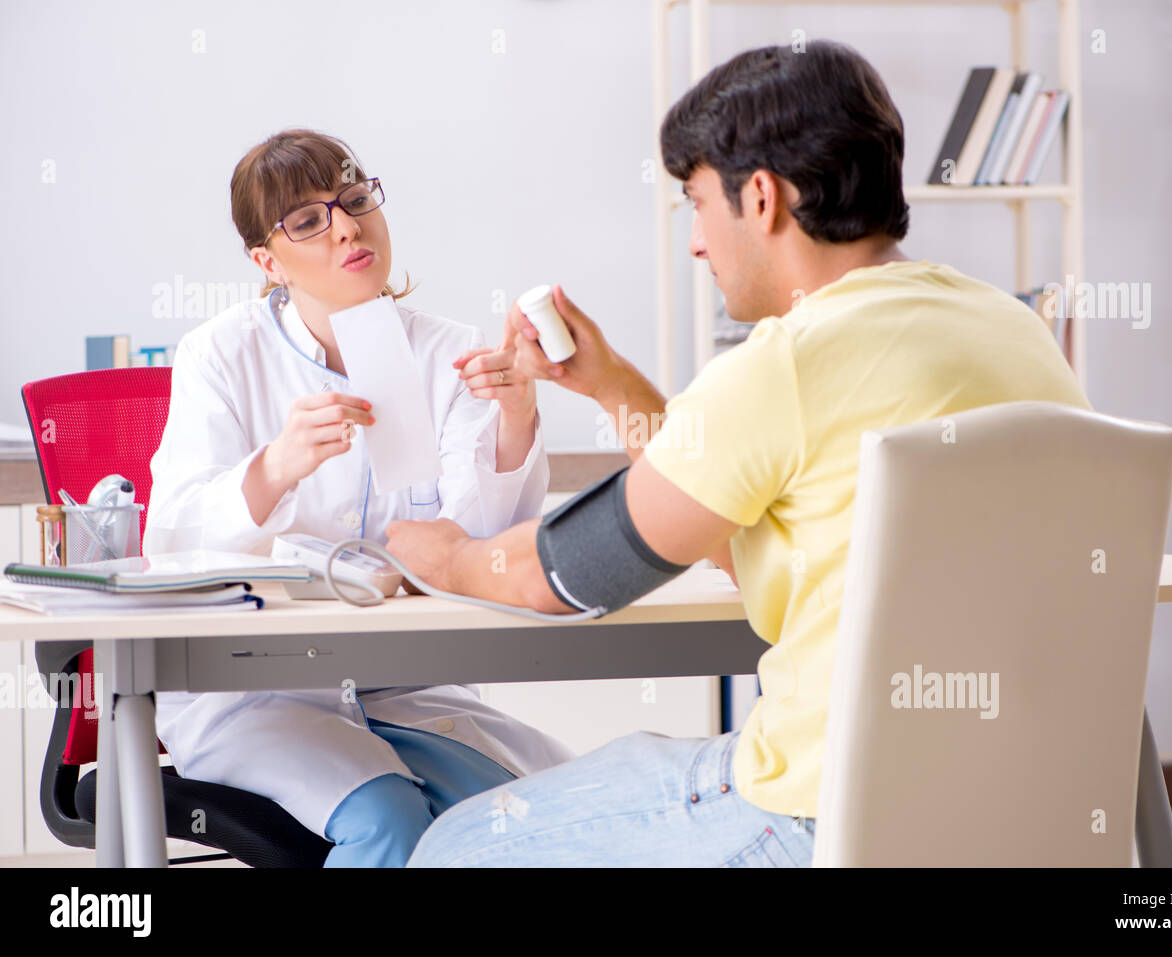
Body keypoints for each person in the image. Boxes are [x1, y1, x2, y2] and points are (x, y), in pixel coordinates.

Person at [388, 41, 1092, 867]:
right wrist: (615, 386)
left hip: (822, 815)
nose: (695, 242)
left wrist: (447, 550)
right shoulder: (1013, 328)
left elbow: (568, 573)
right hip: (1021, 811)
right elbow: (729, 514)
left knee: (456, 844)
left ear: (760, 196)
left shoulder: (789, 361)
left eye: (695, 203)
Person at [143, 129, 575, 867]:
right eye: (308, 221)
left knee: (543, 820)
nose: (346, 226)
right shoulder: (219, 354)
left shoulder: (452, 352)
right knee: (389, 822)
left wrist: (517, 417)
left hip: (406, 684)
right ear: (266, 261)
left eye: (353, 199)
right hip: (255, 694)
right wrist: (274, 466)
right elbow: (173, 536)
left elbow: (483, 549)